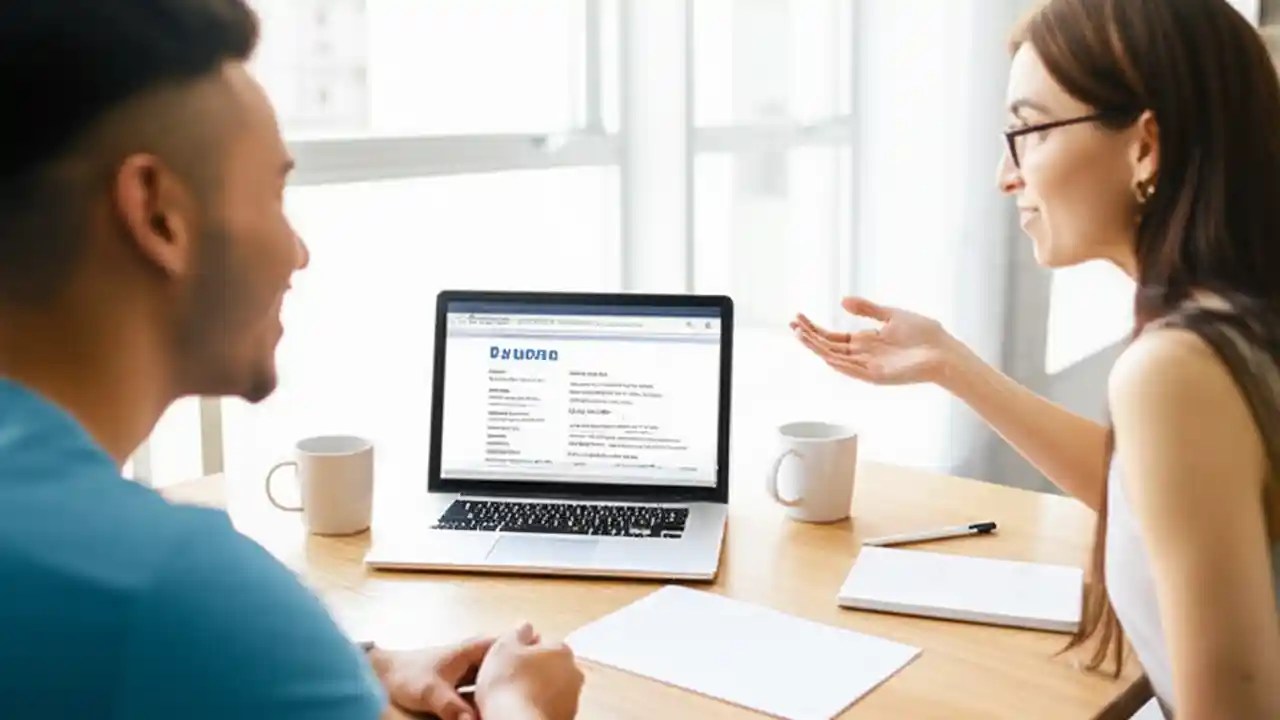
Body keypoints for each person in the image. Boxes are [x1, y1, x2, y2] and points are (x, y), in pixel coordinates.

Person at [0, 1, 582, 718]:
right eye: (275, 192)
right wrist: (524, 703)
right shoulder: (170, 589)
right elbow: (170, 627)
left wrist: (357, 666)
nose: (297, 253)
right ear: (158, 215)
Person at [793, 0, 1280, 716]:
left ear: (1145, 146)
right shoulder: (1236, 320)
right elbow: (1151, 494)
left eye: (1027, 130)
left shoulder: (1177, 366)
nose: (1006, 175)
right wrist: (950, 364)